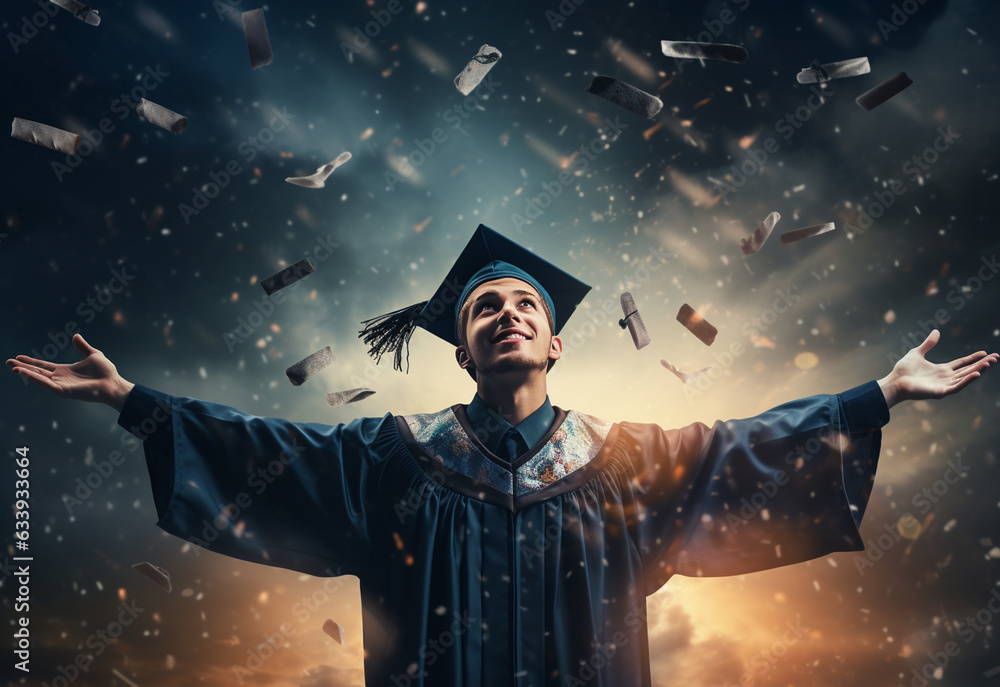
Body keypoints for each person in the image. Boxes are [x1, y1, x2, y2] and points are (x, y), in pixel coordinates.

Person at [7, 224, 997, 687]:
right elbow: (268, 450)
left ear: (556, 339)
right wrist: (136, 405)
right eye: (485, 306)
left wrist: (880, 395)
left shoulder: (630, 461)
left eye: (525, 304)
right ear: (463, 342)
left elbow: (743, 451)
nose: (507, 314)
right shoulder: (392, 460)